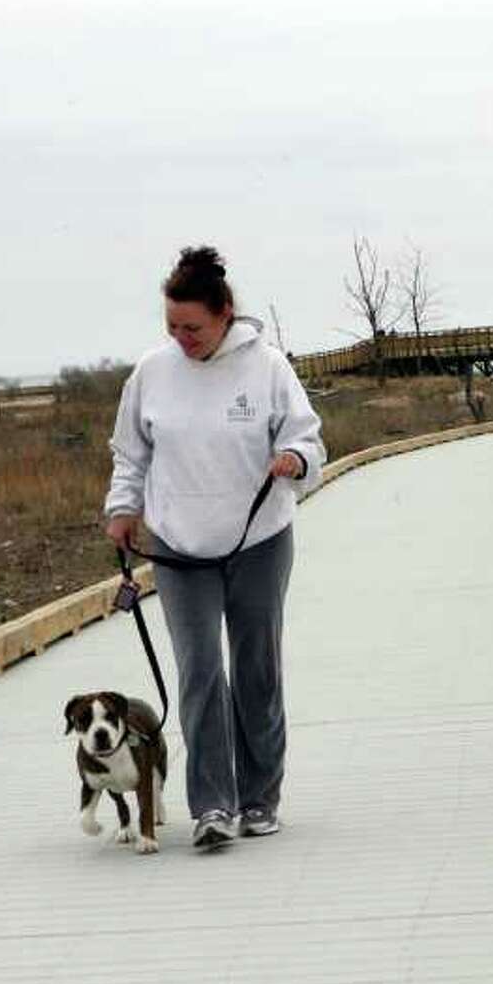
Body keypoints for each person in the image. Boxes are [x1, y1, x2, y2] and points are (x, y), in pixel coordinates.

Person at [104, 246, 326, 849]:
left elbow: (309, 440)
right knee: (200, 673)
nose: (183, 339)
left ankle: (259, 798)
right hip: (179, 549)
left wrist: (296, 459)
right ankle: (213, 806)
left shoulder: (268, 368)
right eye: (172, 327)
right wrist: (123, 508)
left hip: (258, 540)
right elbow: (131, 452)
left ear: (225, 313)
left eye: (193, 327)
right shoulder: (152, 372)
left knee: (256, 671)